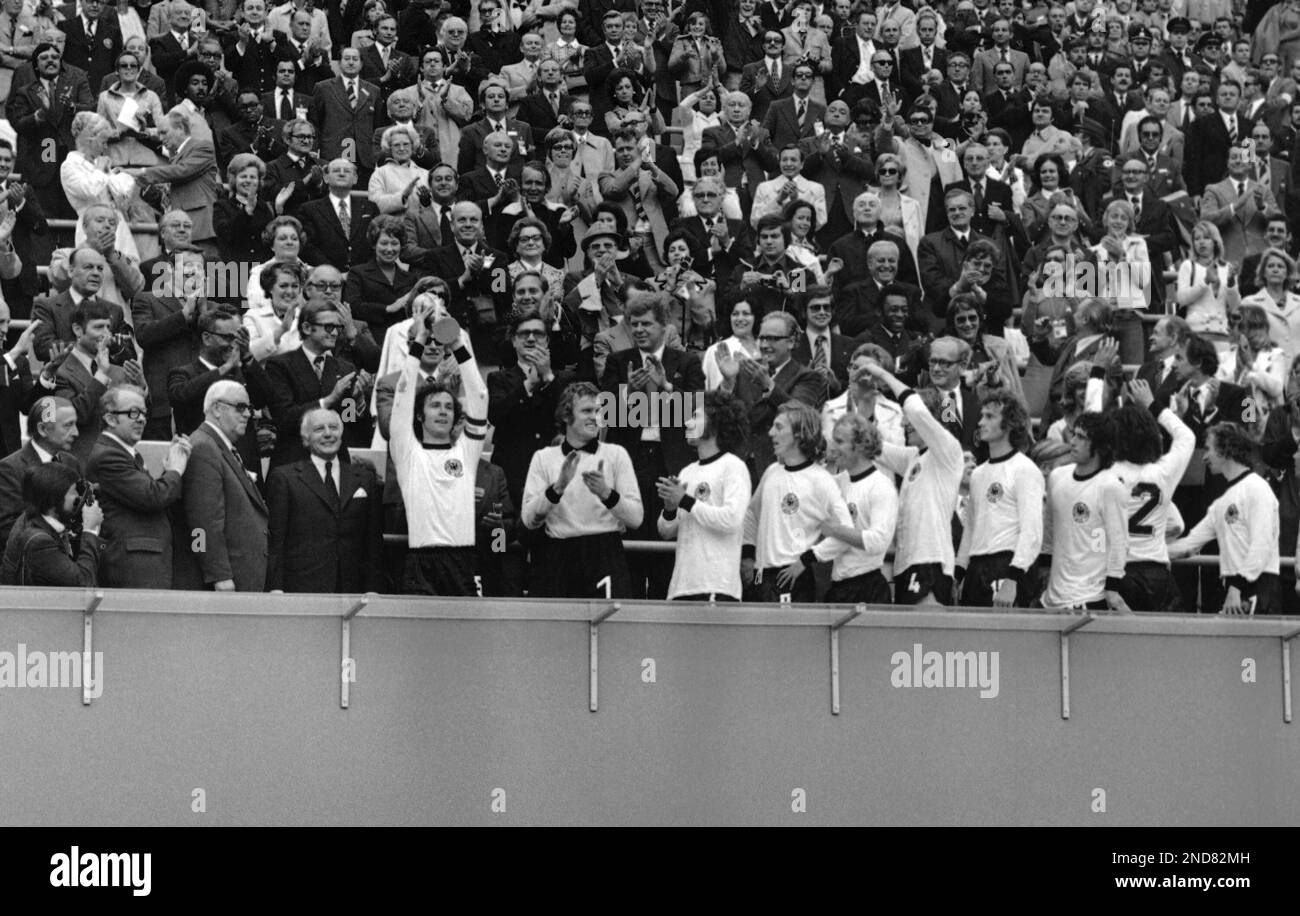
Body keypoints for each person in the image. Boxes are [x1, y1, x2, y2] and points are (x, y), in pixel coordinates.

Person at [522, 380, 643, 598]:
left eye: (599, 411)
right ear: (567, 416)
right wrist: (557, 489)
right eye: (587, 410)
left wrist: (606, 494)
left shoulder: (616, 454)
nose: (594, 416)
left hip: (605, 552)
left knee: (609, 628)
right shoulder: (543, 458)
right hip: (558, 554)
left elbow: (636, 518)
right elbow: (529, 520)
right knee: (558, 630)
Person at [860, 357, 963, 605]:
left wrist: (883, 375)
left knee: (927, 639)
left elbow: (915, 410)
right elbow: (865, 443)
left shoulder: (947, 451)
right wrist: (864, 400)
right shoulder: (912, 458)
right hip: (906, 563)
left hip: (931, 560)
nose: (904, 423)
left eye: (907, 418)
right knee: (911, 640)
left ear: (928, 419)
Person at [740, 400, 851, 602]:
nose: (771, 433)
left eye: (779, 427)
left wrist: (806, 560)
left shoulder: (820, 480)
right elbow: (751, 514)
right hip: (759, 575)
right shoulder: (772, 472)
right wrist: (748, 555)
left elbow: (847, 532)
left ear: (799, 434)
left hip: (792, 577)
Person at [266, 407, 383, 594]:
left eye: (334, 428)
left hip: (352, 589)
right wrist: (275, 587)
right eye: (319, 429)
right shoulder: (285, 478)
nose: (328, 434)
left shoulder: (364, 478)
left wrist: (373, 589)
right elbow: (277, 541)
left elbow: (373, 543)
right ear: (306, 439)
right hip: (302, 587)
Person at [84, 384, 191, 588]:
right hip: (133, 564)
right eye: (133, 413)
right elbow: (153, 497)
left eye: (143, 412)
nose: (141, 419)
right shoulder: (108, 456)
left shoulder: (125, 453)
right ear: (110, 418)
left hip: (144, 562)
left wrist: (168, 472)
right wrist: (175, 470)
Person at [1170, 422, 1282, 615]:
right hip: (1236, 591)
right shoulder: (1222, 502)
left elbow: (1262, 544)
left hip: (1257, 590)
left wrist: (1237, 586)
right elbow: (1190, 544)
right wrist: (1146, 553)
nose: (1204, 456)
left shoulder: (1258, 488)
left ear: (1226, 450)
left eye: (1209, 449)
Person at [265, 284, 379, 468]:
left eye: (337, 327)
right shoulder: (280, 365)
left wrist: (357, 402)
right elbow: (284, 419)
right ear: (307, 328)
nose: (334, 332)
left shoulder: (344, 367)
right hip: (293, 465)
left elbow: (348, 422)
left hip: (334, 465)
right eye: (328, 327)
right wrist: (328, 400)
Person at [176, 379, 269, 591]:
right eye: (241, 407)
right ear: (217, 409)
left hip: (241, 573)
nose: (248, 414)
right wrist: (219, 575)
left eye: (250, 409)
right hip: (227, 580)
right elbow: (202, 521)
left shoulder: (219, 447)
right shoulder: (203, 447)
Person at [955, 391, 1043, 608]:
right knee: (974, 641)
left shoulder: (1024, 469)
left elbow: (1031, 530)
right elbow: (970, 529)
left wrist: (1013, 578)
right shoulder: (978, 474)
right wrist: (959, 572)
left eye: (990, 417)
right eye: (982, 415)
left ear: (1010, 423)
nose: (981, 422)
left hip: (1007, 566)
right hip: (976, 567)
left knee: (1004, 641)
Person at [1041, 411, 1132, 612]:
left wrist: (1112, 589)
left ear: (1100, 446)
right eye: (1073, 434)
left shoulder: (1110, 486)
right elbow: (1049, 527)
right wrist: (1044, 569)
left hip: (1089, 599)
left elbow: (1119, 542)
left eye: (1081, 438)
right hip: (1051, 599)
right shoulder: (1057, 477)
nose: (1072, 442)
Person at [811, 412, 898, 604]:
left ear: (859, 445)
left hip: (867, 588)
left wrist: (836, 530)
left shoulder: (880, 486)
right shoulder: (840, 482)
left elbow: (879, 541)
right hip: (838, 586)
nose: (833, 447)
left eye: (840, 441)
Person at [0, 461, 104, 586]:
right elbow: (83, 583)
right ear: (54, 501)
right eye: (74, 492)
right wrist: (90, 530)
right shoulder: (39, 542)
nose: (78, 497)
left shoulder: (33, 520)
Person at [0, 396, 81, 546]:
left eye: (75, 424)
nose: (76, 432)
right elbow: (7, 530)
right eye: (68, 425)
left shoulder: (71, 462)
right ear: (43, 429)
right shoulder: (10, 469)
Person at [1175, 220, 1241, 341]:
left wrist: (1231, 284)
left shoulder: (1227, 267)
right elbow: (1181, 299)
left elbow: (1235, 306)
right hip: (1195, 332)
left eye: (1206, 238)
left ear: (1215, 242)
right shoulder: (1188, 266)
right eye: (1197, 239)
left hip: (1222, 332)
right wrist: (1205, 282)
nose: (1201, 242)